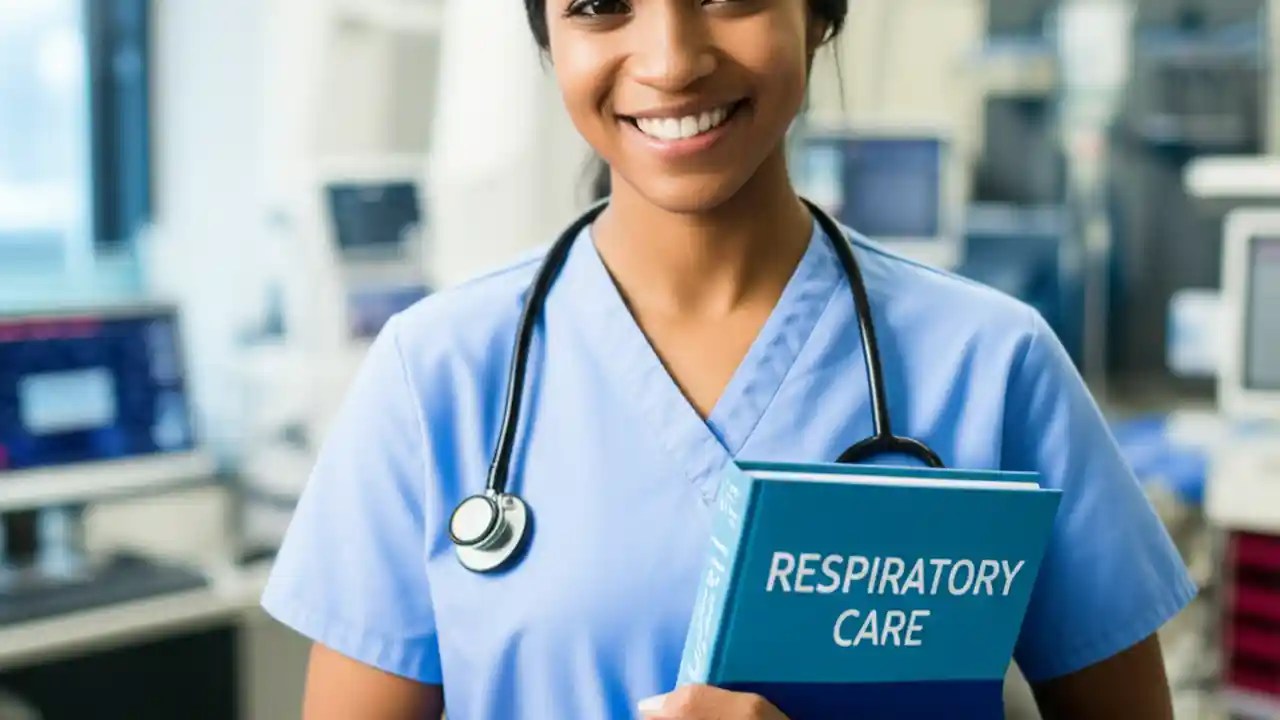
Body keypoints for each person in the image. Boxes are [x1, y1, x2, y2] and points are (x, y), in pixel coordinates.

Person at [260, 0, 1196, 718]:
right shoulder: (437, 378)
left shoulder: (992, 367)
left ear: (821, 13)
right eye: (597, 3)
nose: (671, 60)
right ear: (549, 35)